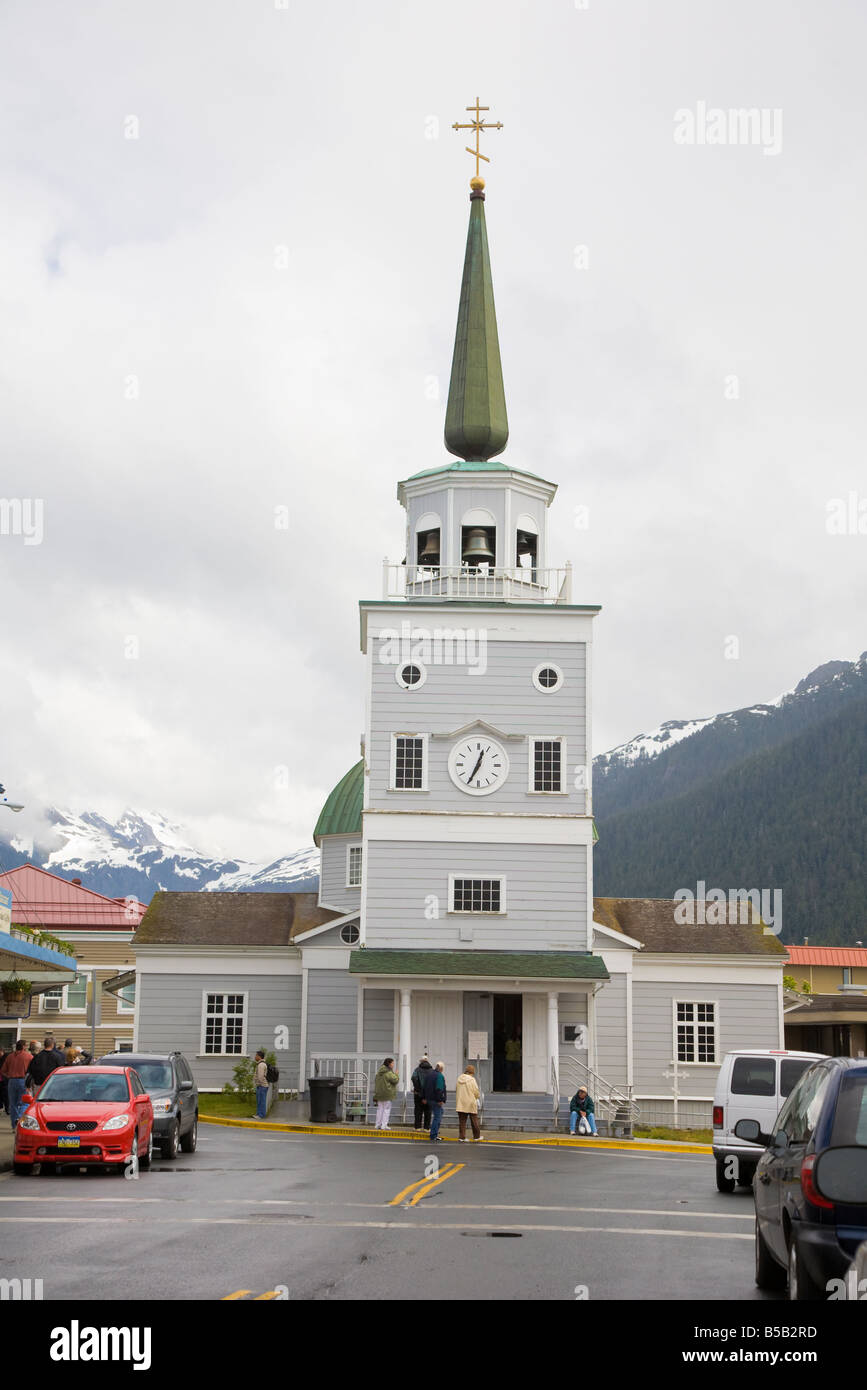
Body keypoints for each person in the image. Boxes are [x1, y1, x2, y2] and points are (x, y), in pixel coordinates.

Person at [1, 1040, 34, 1130]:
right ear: (24, 1046)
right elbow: (33, 1069)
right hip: (23, 1081)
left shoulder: (10, 1057)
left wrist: (9, 1076)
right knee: (24, 1102)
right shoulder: (29, 1056)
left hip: (12, 1081)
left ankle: (14, 1126)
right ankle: (19, 1118)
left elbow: (3, 1070)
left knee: (13, 1104)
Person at [455, 1063, 483, 1142]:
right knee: (474, 1121)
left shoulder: (459, 1078)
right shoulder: (472, 1080)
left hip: (461, 1103)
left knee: (462, 1121)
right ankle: (476, 1137)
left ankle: (462, 1137)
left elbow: (456, 1089)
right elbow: (476, 1092)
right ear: (472, 1072)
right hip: (470, 1103)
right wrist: (477, 1098)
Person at [423, 1060, 447, 1141]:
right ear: (440, 1068)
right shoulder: (439, 1076)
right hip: (436, 1100)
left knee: (439, 1113)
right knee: (437, 1117)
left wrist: (424, 1098)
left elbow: (424, 1087)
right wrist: (440, 1100)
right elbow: (439, 1089)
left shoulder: (429, 1074)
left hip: (429, 1099)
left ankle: (434, 1133)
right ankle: (433, 1135)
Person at [373, 1057, 399, 1129]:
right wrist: (396, 1074)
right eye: (392, 1063)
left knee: (380, 1109)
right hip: (387, 1093)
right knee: (386, 1110)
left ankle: (377, 1124)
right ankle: (384, 1125)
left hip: (379, 1093)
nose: (393, 1065)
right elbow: (395, 1080)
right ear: (389, 1064)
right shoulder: (389, 1073)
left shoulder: (379, 1072)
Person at [410, 1054, 433, 1132]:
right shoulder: (432, 1070)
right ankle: (427, 1128)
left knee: (418, 1110)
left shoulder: (417, 1070)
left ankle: (417, 1127)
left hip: (418, 1094)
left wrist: (418, 1089)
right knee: (428, 1111)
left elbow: (413, 1078)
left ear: (421, 1061)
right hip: (429, 1094)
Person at [253, 1050, 269, 1119]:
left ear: (259, 1057)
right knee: (259, 1100)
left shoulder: (261, 1065)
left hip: (262, 1085)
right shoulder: (260, 1064)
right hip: (261, 1086)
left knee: (261, 1101)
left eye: (256, 1055)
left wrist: (259, 1084)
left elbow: (260, 1076)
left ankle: (261, 1115)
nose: (255, 1057)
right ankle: (259, 1114)